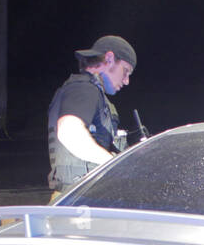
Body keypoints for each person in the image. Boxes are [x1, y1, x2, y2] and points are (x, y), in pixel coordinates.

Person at [47, 35, 137, 202]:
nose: (126, 81)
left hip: (80, 199)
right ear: (109, 59)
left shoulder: (92, 93)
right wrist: (114, 164)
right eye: (125, 71)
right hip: (79, 202)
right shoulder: (84, 89)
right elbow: (69, 131)